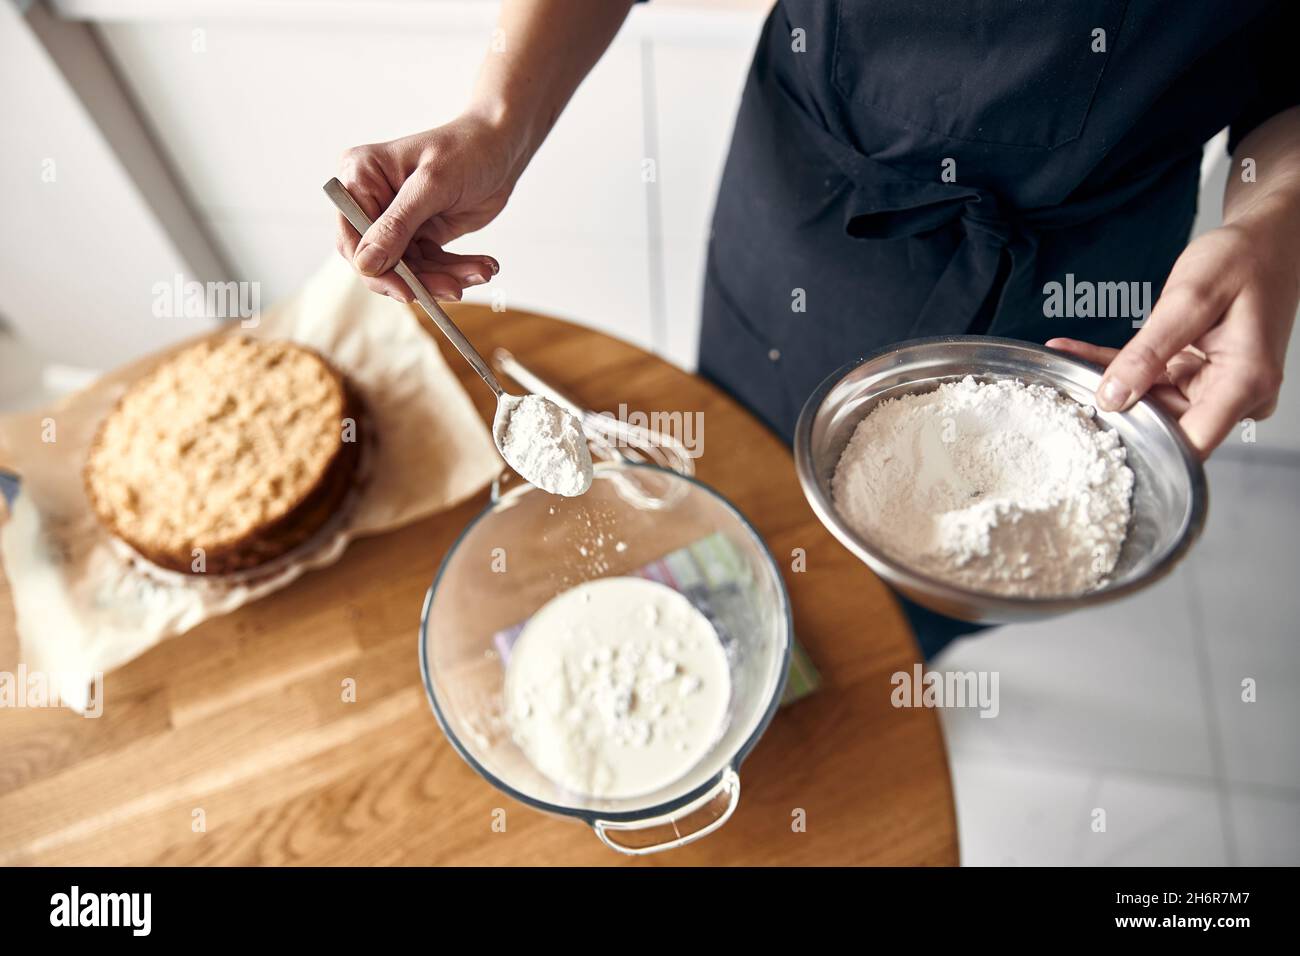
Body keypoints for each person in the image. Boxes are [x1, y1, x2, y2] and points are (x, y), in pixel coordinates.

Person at [336, 0, 1299, 658]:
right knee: (749, 484)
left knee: (947, 576)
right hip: (822, 199)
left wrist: (1271, 222)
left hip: (1082, 255)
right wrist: (498, 119)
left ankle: (893, 680)